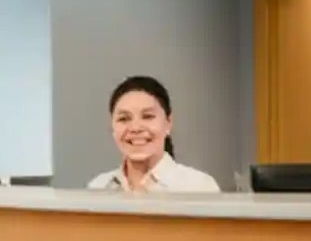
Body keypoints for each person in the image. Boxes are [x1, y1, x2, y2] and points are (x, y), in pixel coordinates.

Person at [88, 76, 220, 193]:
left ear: (168, 123)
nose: (135, 128)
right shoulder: (98, 188)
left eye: (147, 116)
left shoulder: (199, 188)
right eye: (124, 119)